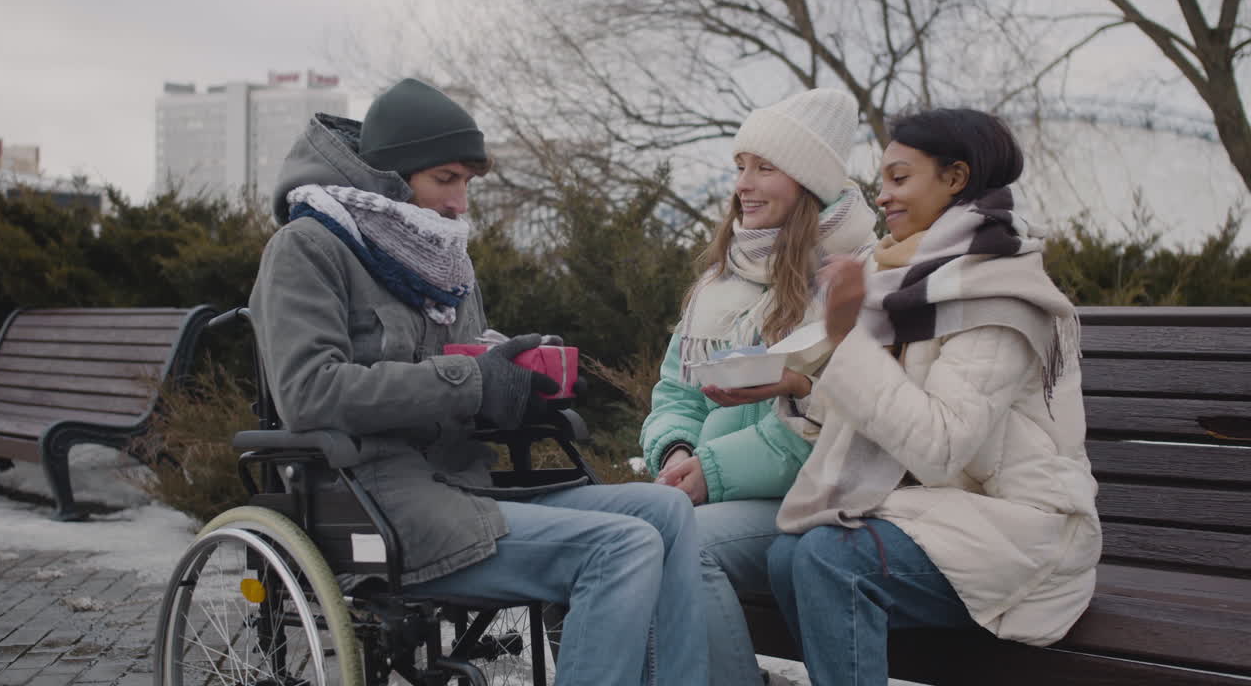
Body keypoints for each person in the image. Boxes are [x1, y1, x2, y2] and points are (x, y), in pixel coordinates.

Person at [250, 77, 707, 685]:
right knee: (620, 547)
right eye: (446, 179)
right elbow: (309, 393)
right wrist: (472, 383)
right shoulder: (306, 247)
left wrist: (522, 387)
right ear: (391, 177)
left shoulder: (443, 260)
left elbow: (470, 373)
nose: (460, 202)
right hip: (376, 503)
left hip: (466, 488)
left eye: (467, 182)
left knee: (667, 511)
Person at [767, 108, 1101, 686]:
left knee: (829, 560)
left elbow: (941, 447)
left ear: (955, 178)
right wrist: (799, 386)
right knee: (785, 557)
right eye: (882, 180)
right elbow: (874, 413)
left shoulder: (1000, 295)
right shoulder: (904, 281)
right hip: (939, 515)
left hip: (1023, 533)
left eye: (899, 178)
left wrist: (845, 340)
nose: (882, 196)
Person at [640, 88, 877, 685]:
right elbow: (676, 395)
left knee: (676, 542)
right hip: (717, 488)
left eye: (764, 168)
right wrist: (677, 452)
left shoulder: (855, 279)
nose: (743, 185)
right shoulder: (719, 282)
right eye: (740, 166)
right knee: (615, 540)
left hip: (819, 501)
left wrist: (711, 472)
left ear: (809, 184)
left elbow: (835, 421)